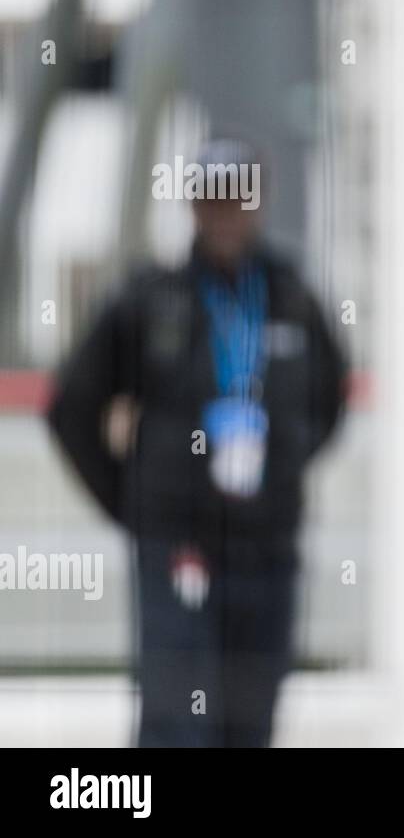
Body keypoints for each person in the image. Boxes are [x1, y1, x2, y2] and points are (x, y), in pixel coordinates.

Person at [46, 138, 348, 747]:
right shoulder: (151, 299)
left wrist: (280, 466)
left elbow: (329, 398)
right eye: (212, 201)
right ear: (192, 206)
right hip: (178, 549)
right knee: (176, 724)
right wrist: (130, 499)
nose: (225, 216)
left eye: (237, 200)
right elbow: (71, 406)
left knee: (251, 723)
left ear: (259, 203)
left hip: (267, 551)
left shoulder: (291, 297)